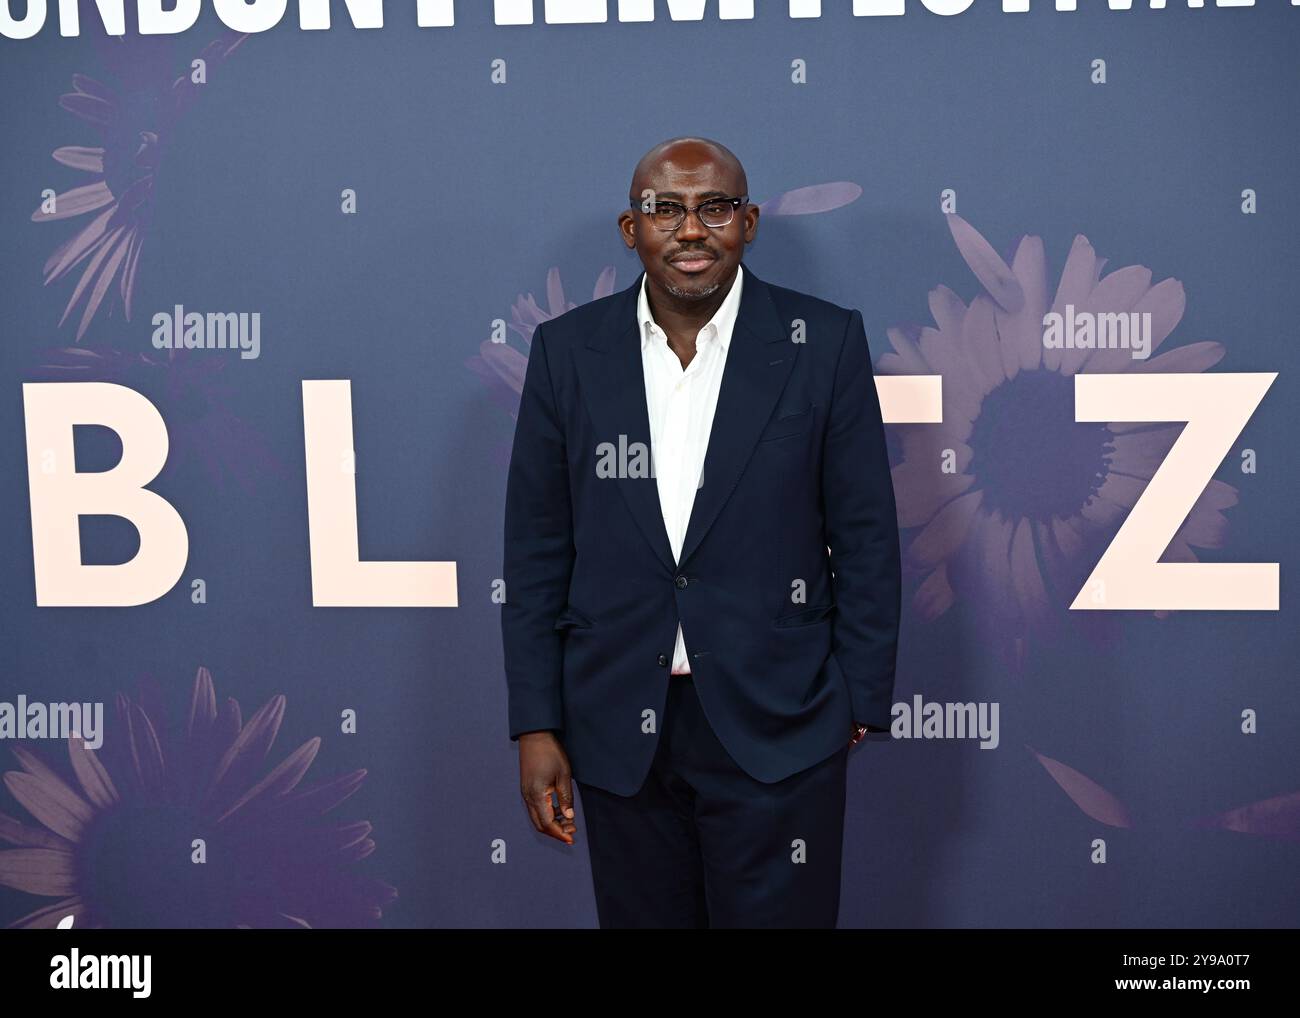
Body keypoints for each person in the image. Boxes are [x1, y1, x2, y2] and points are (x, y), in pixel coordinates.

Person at [501, 136, 901, 928]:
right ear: (631, 228)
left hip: (780, 724)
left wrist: (853, 699)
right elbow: (538, 550)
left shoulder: (821, 342)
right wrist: (536, 722)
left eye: (714, 208)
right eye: (666, 209)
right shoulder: (566, 353)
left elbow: (866, 536)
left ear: (748, 222)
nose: (691, 230)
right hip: (620, 728)